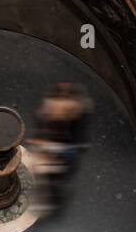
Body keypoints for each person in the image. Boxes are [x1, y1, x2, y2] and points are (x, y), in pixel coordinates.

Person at [27, 82, 92, 216]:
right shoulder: (45, 115)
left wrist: (55, 148)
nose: (57, 112)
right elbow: (39, 136)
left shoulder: (75, 122)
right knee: (40, 168)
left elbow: (80, 146)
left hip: (64, 156)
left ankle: (50, 198)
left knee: (50, 172)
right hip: (51, 155)